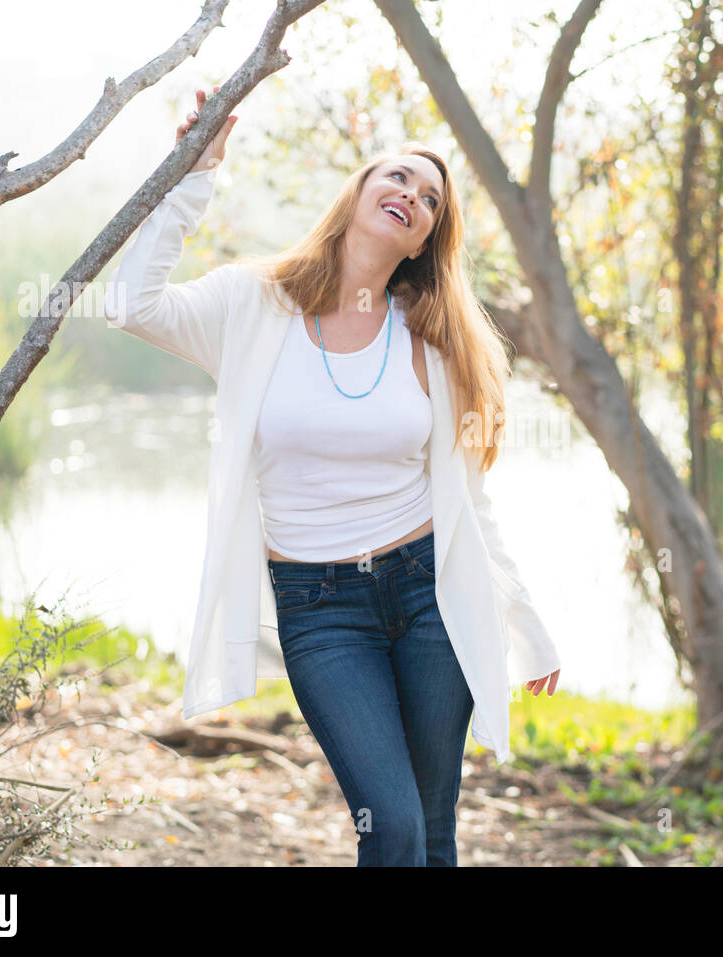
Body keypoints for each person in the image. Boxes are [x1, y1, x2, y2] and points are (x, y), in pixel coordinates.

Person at [103, 86, 562, 866]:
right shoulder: (255, 303)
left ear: (423, 240)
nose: (410, 195)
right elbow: (128, 303)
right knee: (394, 824)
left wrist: (527, 622)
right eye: (397, 178)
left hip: (430, 593)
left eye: (428, 199)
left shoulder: (431, 341)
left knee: (435, 827)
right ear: (357, 192)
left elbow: (469, 506)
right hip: (320, 609)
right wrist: (195, 171)